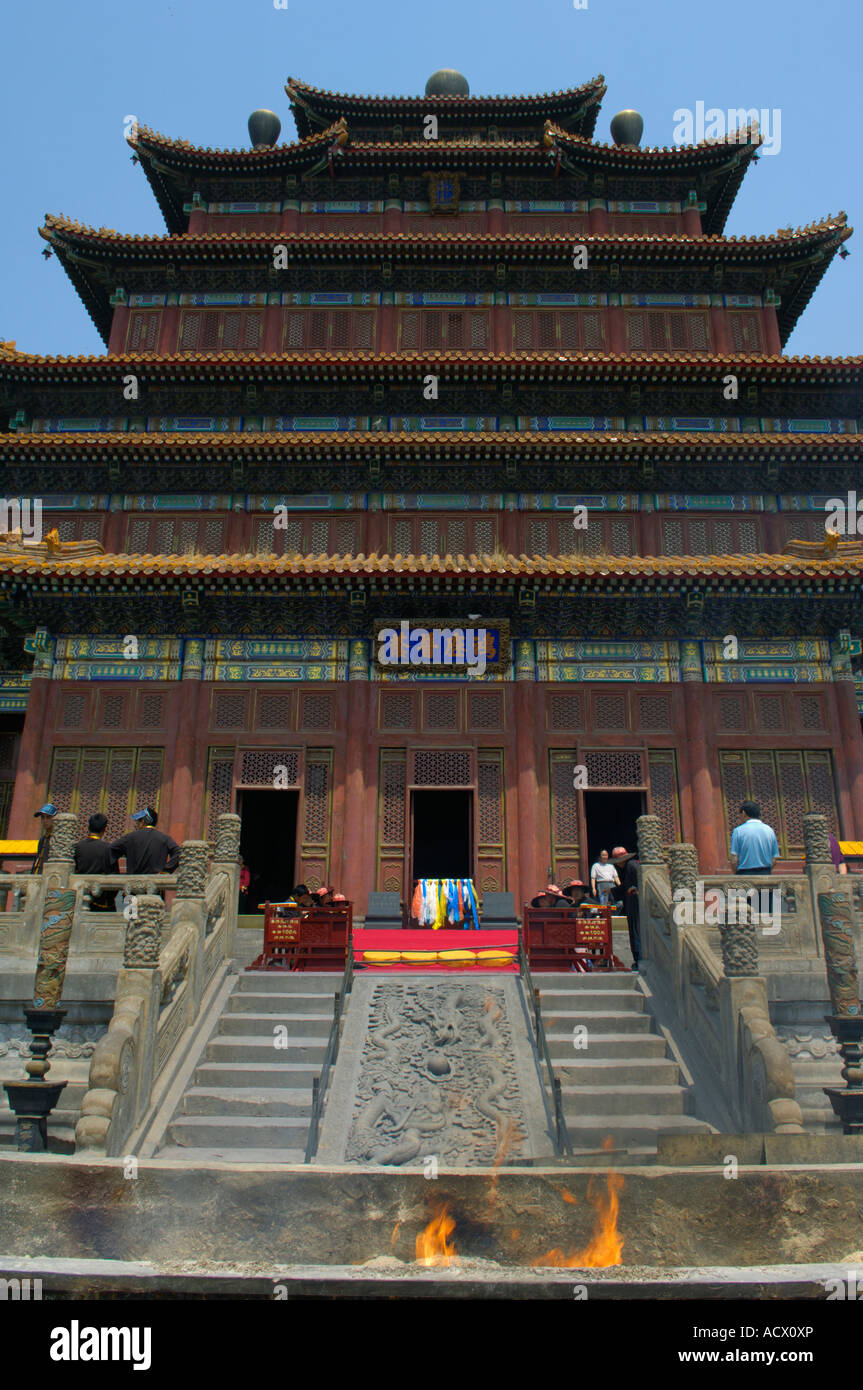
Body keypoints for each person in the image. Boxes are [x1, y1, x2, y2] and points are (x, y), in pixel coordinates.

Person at [111, 806, 180, 875]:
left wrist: (115, 872)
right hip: (155, 882)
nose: (137, 824)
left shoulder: (130, 837)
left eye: (138, 821)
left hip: (132, 881)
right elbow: (179, 853)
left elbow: (111, 849)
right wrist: (166, 870)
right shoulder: (164, 838)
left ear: (143, 821)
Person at [73, 812, 117, 910]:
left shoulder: (78, 847)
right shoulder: (108, 848)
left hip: (81, 896)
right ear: (104, 829)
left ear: (89, 827)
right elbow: (114, 874)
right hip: (102, 900)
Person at [729, 801, 779, 875]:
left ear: (743, 813)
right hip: (765, 873)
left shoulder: (738, 831)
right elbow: (774, 859)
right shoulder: (769, 830)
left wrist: (737, 874)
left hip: (744, 873)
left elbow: (734, 859)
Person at [612, 847, 641, 971]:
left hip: (635, 905)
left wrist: (636, 889)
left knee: (636, 932)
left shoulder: (631, 865)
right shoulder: (629, 866)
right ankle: (638, 960)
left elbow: (639, 880)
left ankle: (639, 960)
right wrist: (612, 890)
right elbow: (626, 886)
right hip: (632, 905)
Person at [32, 801, 57, 874]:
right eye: (42, 817)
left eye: (48, 817)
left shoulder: (58, 839)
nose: (45, 820)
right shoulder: (43, 839)